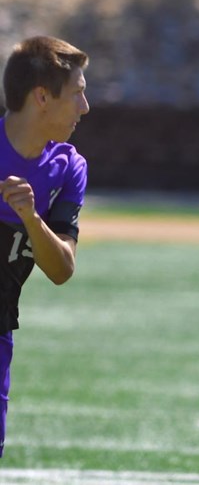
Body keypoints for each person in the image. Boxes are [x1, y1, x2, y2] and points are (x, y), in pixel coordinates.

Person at [0, 35, 90, 458]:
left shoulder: (69, 168)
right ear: (42, 97)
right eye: (77, 94)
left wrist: (31, 219)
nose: (84, 108)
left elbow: (62, 270)